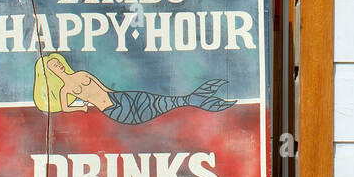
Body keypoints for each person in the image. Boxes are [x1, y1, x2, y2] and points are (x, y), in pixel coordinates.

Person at [33, 51, 235, 125]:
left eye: (57, 62)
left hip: (122, 98)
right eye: (52, 66)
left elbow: (102, 86)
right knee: (158, 106)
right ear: (50, 72)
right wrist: (81, 107)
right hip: (115, 111)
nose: (57, 65)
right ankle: (196, 99)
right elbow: (65, 107)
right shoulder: (64, 90)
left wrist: (116, 94)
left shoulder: (81, 74)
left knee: (160, 102)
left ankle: (194, 99)